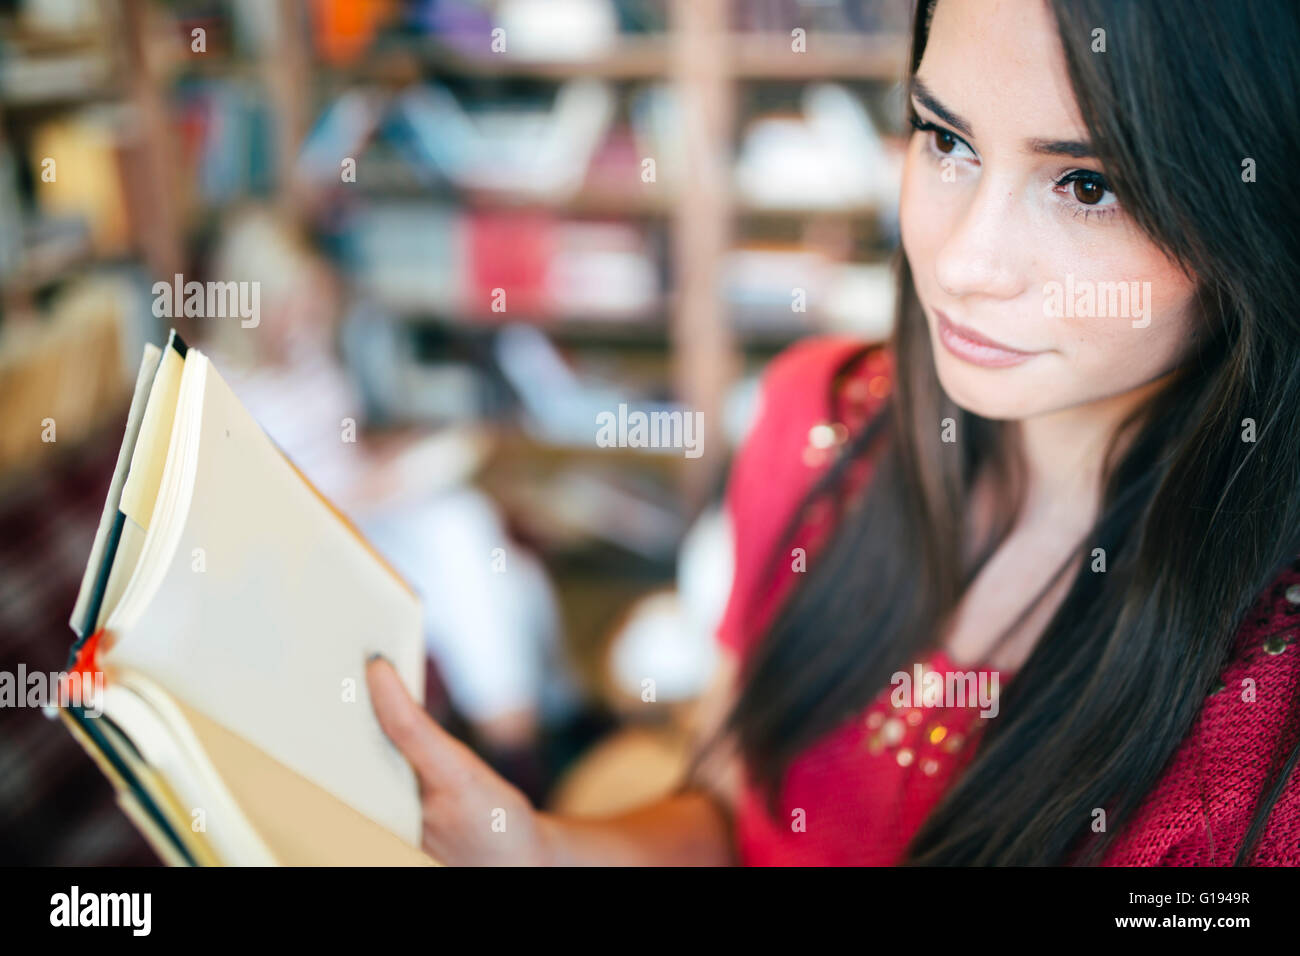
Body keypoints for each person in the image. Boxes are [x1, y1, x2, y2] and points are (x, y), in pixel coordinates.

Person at [365, 0, 1300, 865]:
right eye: (945, 139)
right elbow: (736, 815)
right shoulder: (819, 422)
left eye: (1088, 185)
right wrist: (546, 849)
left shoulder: (1269, 712)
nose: (963, 259)